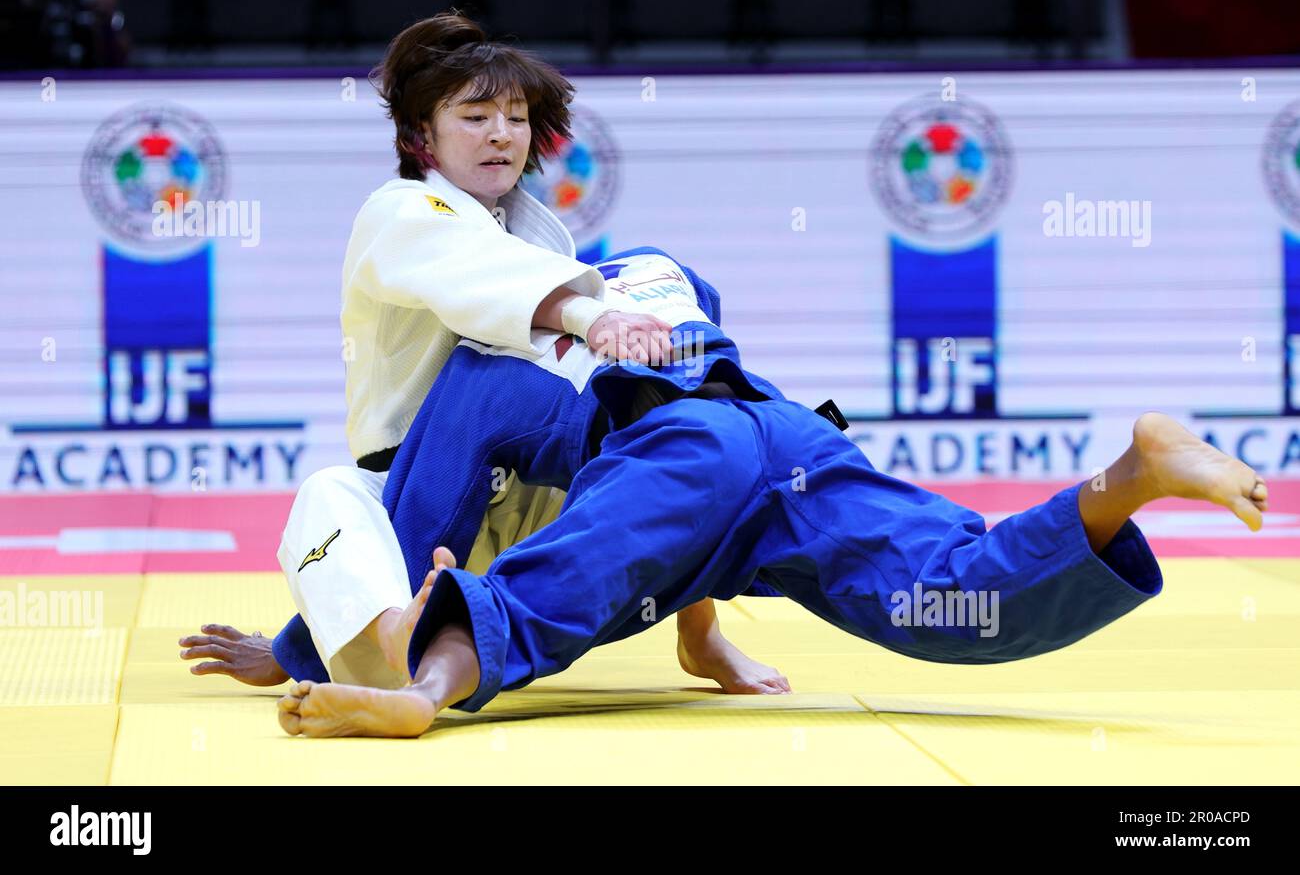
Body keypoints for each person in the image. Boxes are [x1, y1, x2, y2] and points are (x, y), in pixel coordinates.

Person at [268, 246, 1269, 737]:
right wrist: (702, 641)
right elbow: (682, 523)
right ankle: (1128, 475)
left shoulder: (561, 336)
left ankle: (420, 693)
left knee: (549, 587)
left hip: (685, 451)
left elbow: (480, 419)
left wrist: (324, 628)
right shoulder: (678, 298)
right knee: (956, 593)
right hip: (794, 439)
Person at [178, 12, 787, 696]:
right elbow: (479, 279)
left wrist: (628, 326)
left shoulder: (526, 229)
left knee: (656, 409)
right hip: (409, 500)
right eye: (474, 116)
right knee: (328, 492)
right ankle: (362, 643)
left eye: (516, 117)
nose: (501, 133)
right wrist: (594, 316)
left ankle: (700, 636)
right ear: (421, 137)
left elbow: (525, 285)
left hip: (526, 500)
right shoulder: (400, 212)